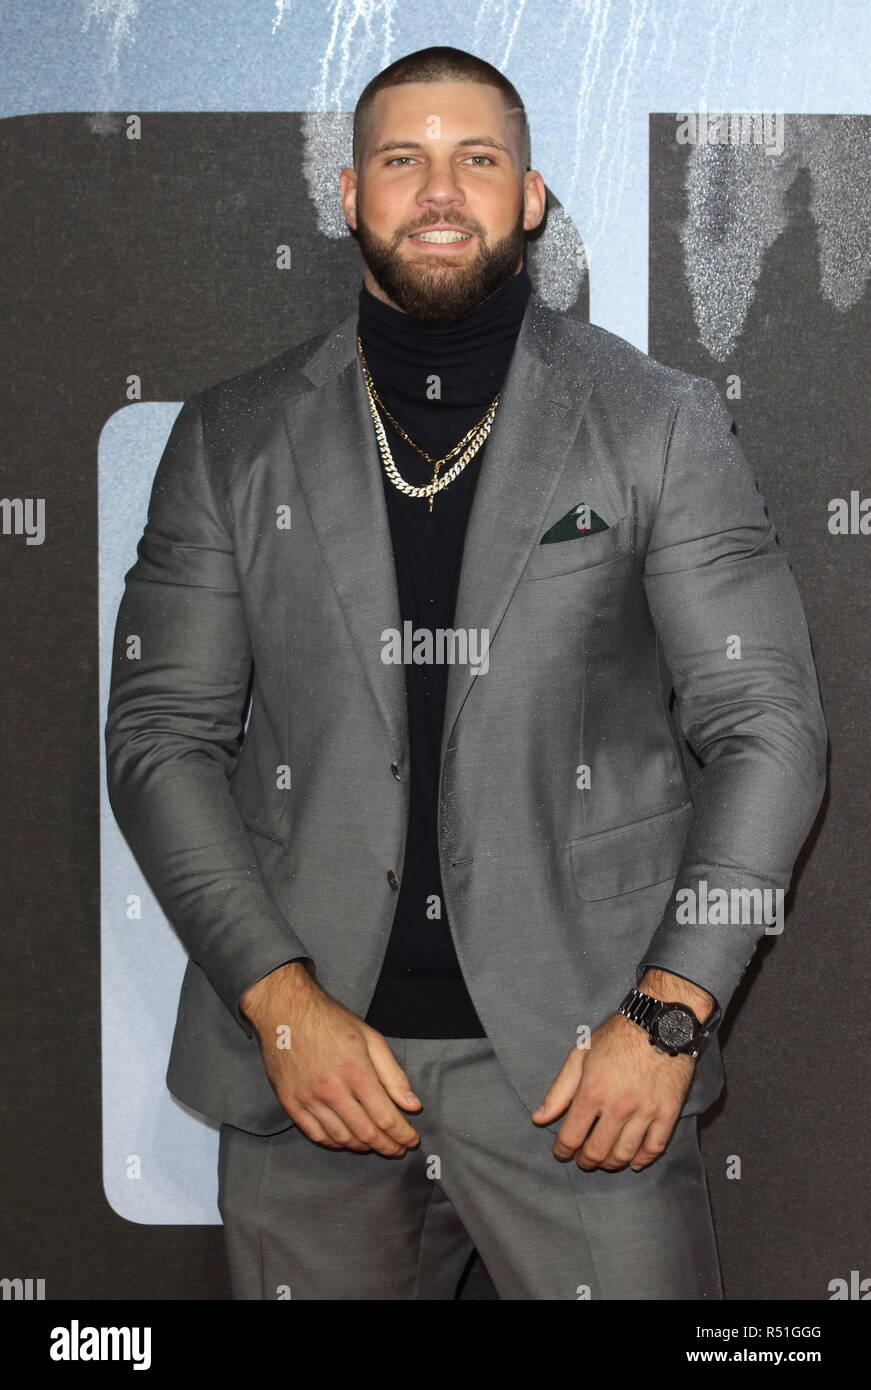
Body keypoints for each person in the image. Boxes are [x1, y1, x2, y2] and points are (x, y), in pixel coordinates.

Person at [105, 46, 827, 1300]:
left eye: (475, 158)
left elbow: (764, 725)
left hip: (583, 1082)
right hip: (311, 1078)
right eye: (403, 158)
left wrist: (667, 1015)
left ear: (530, 197)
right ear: (348, 196)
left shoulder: (654, 419)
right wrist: (278, 1002)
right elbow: (161, 735)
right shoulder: (230, 438)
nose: (439, 189)